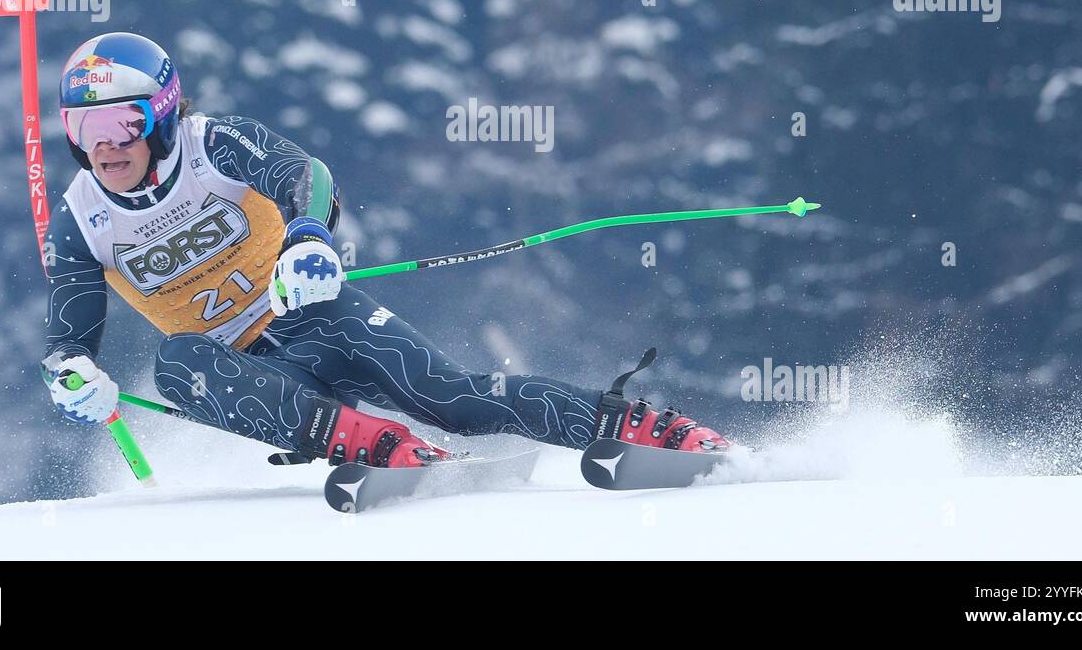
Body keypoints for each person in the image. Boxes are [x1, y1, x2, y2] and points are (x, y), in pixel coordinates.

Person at [42, 31, 729, 467]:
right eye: (84, 125)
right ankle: (372, 445)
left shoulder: (212, 144)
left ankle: (639, 427)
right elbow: (69, 334)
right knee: (176, 360)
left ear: (163, 113)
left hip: (313, 316)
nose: (104, 144)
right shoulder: (80, 216)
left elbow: (303, 175)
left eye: (122, 121)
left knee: (456, 399)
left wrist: (307, 239)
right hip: (247, 376)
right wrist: (75, 377)